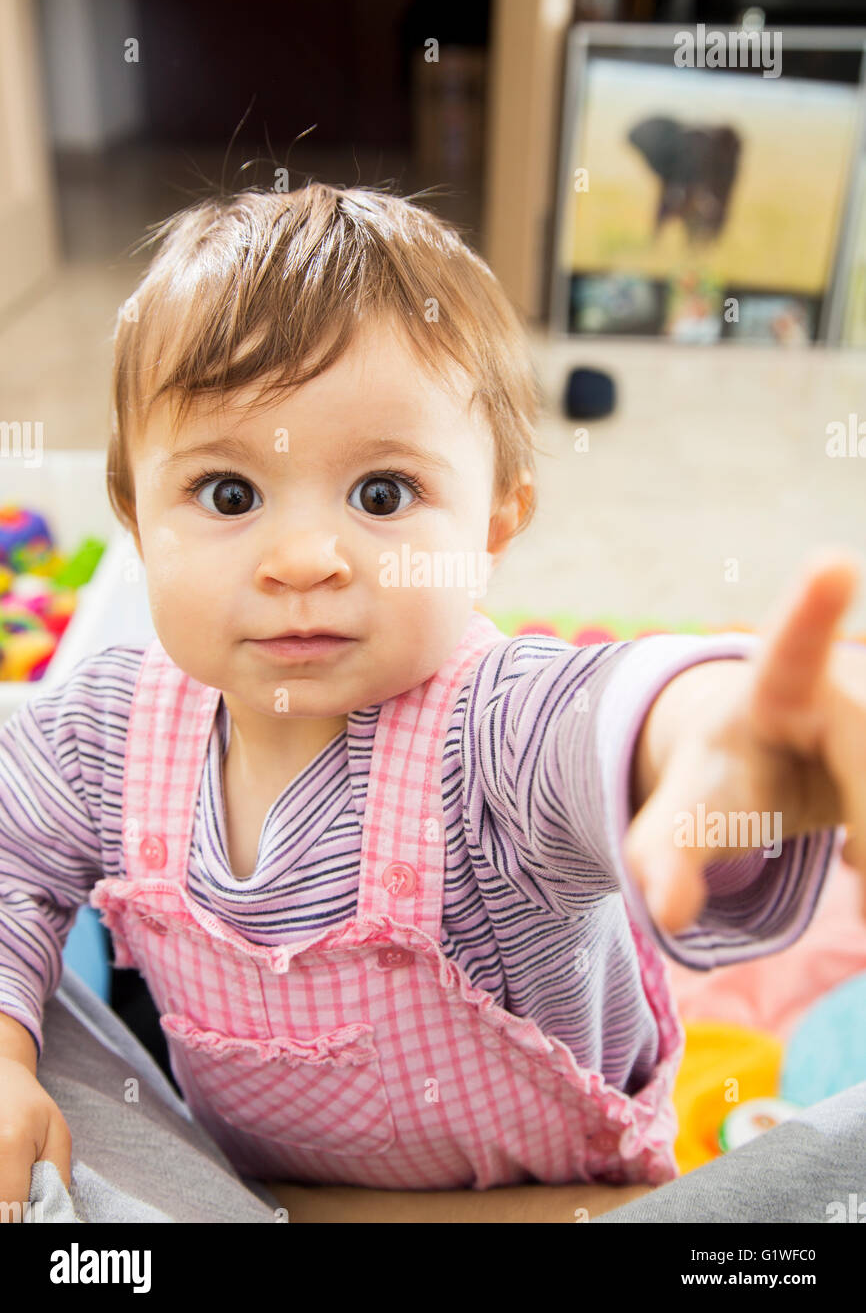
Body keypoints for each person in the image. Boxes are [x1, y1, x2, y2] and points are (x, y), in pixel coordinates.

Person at [0, 183, 864, 1217]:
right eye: (229, 494)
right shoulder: (106, 731)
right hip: (247, 1191)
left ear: (497, 519)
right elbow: (14, 854)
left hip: (554, 1207)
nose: (304, 558)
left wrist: (714, 732)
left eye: (381, 494)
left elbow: (602, 715)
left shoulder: (485, 733)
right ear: (138, 519)